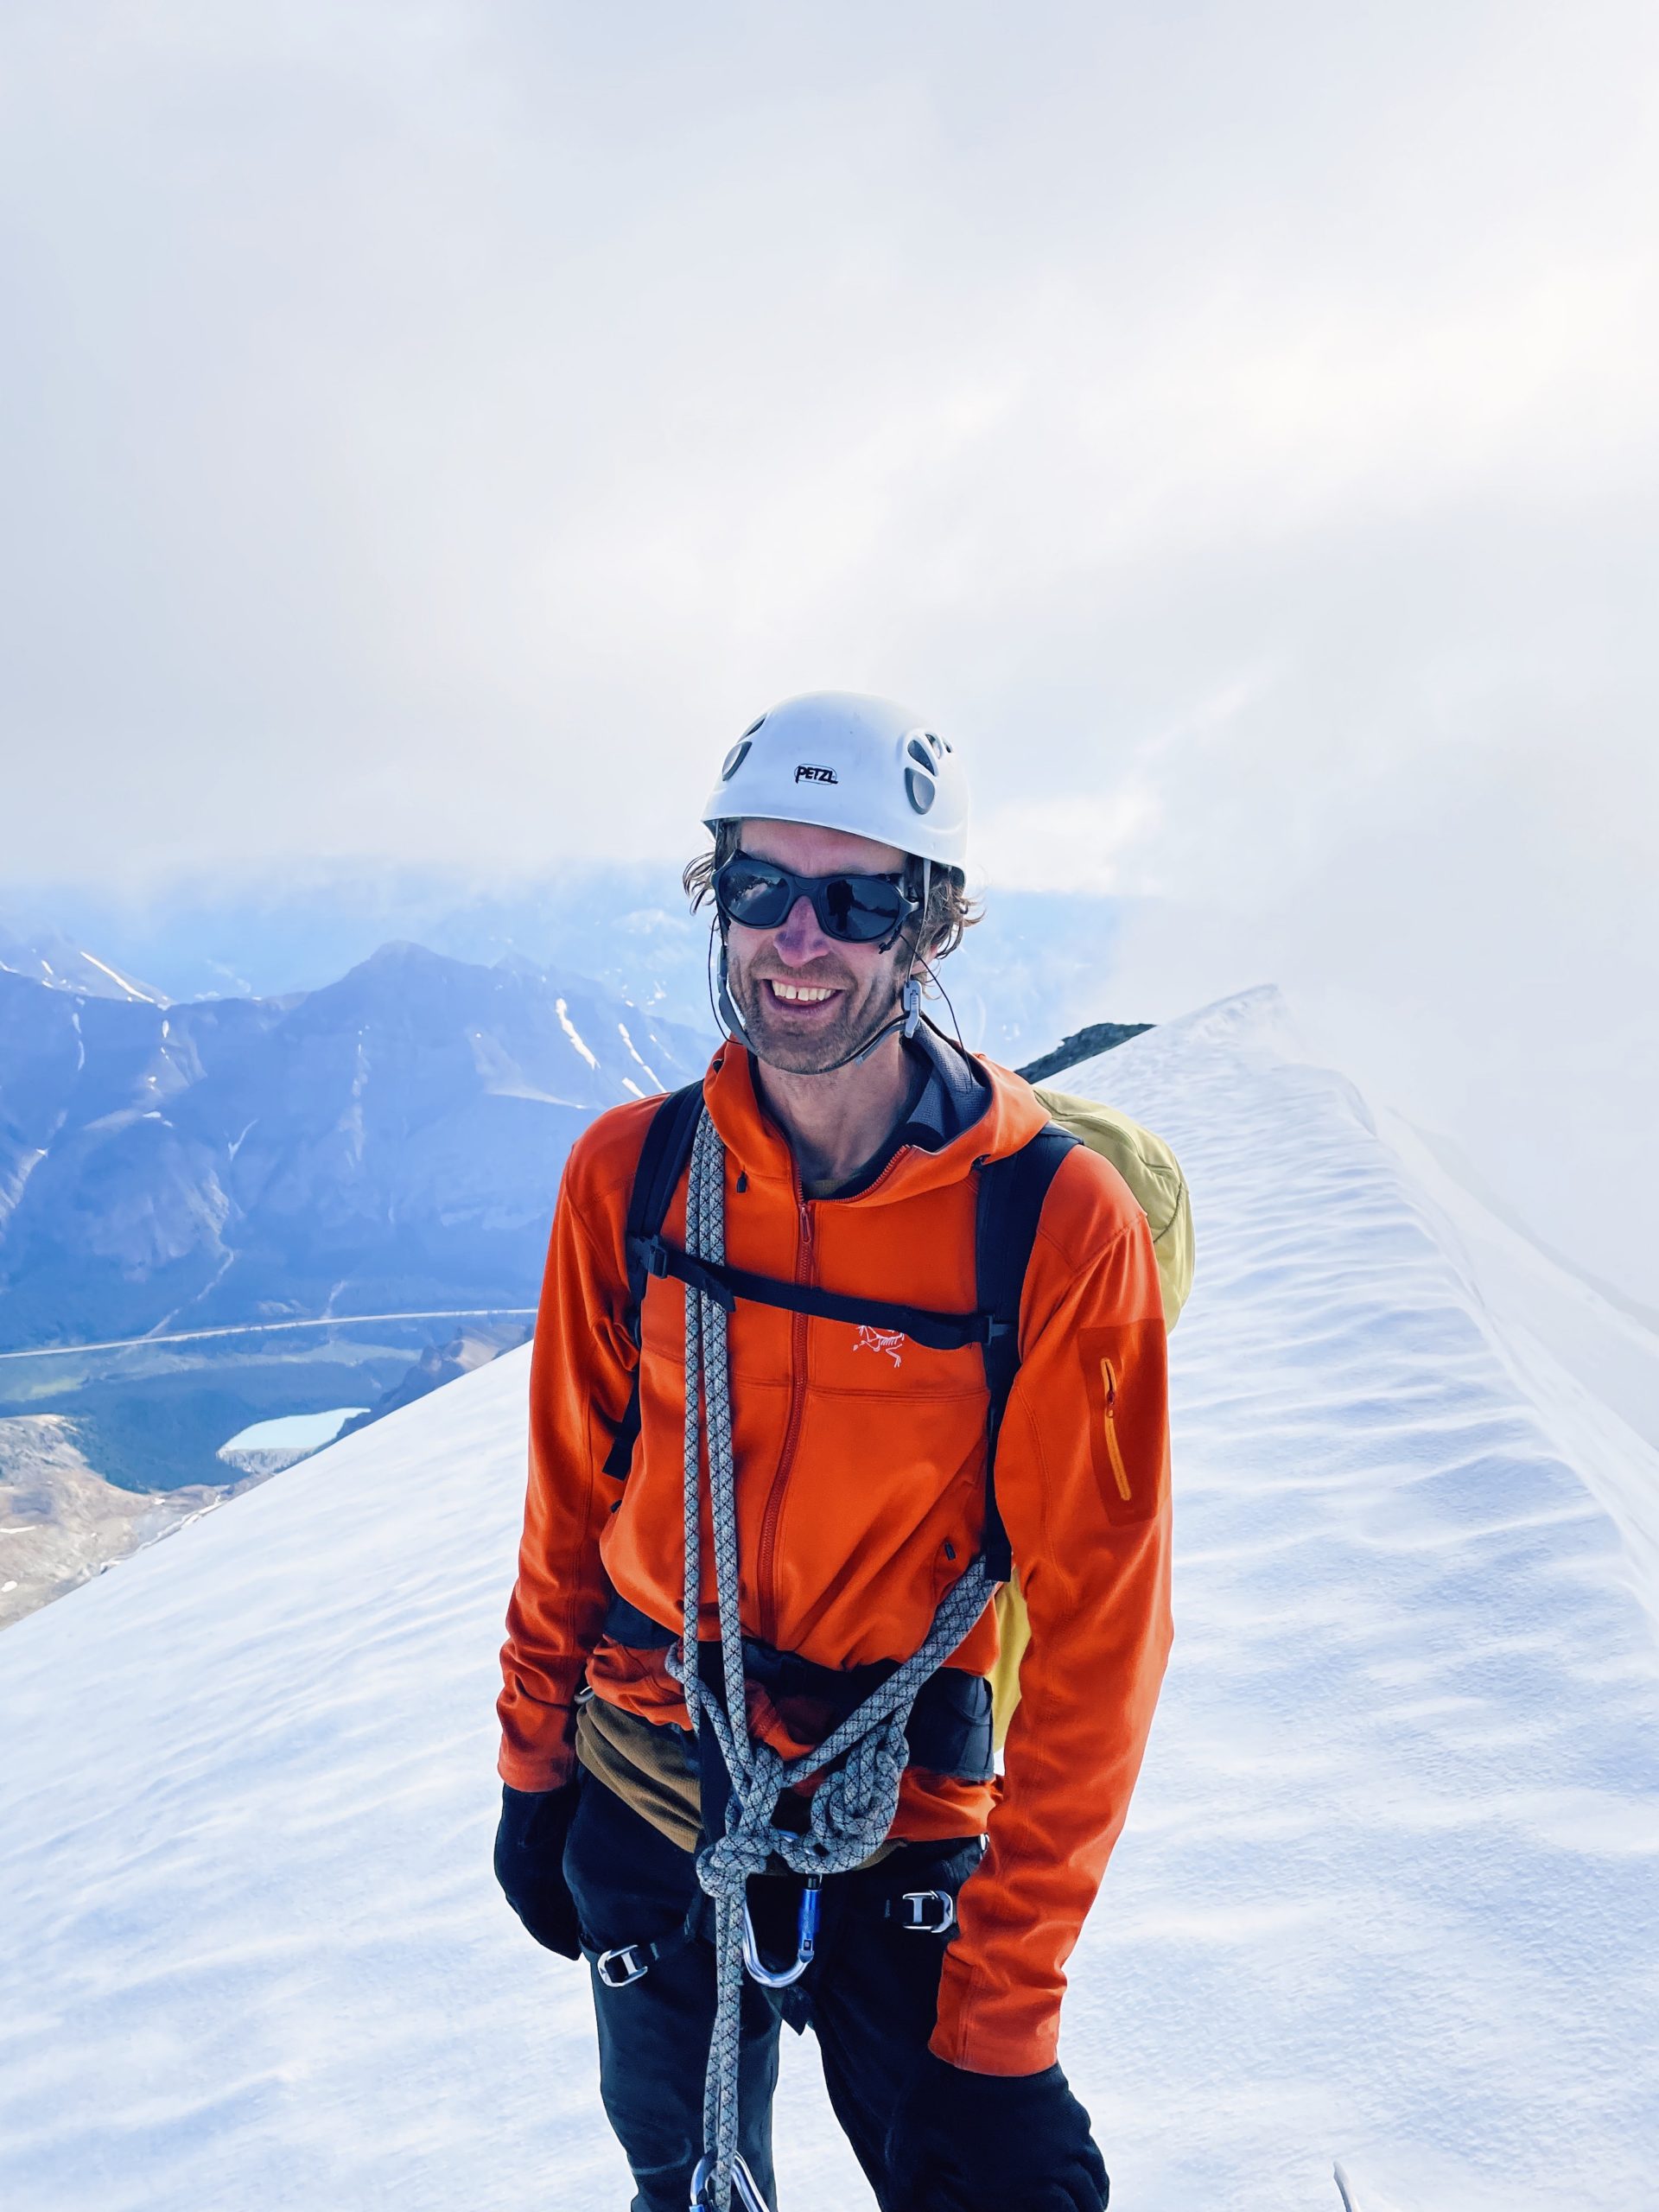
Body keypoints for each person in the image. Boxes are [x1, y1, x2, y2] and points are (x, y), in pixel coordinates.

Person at [495, 692, 1173, 2212]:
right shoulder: (634, 1179)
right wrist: (533, 1766)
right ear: (716, 900)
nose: (798, 940)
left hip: (907, 1829)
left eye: (855, 899)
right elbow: (564, 1505)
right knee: (685, 2182)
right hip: (654, 1784)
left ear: (925, 927)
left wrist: (1006, 2021)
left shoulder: (1052, 1229)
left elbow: (1099, 1649)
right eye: (760, 890)